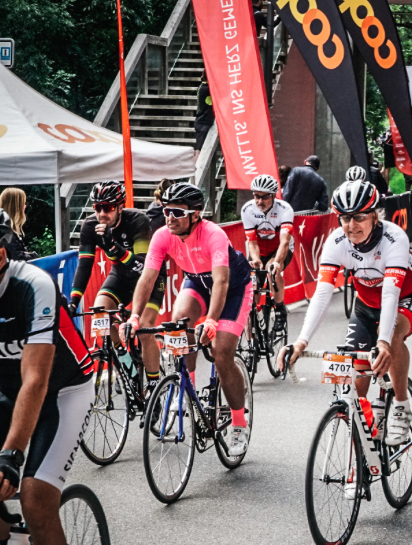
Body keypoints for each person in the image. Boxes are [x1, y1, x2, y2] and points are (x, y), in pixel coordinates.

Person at [279, 180, 412, 446]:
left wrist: (382, 343)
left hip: (406, 297)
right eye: (345, 218)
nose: (351, 225)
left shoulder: (394, 238)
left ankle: (402, 406)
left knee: (391, 338)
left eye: (359, 217)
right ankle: (361, 451)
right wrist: (301, 341)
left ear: (374, 215)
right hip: (367, 303)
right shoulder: (337, 241)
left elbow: (391, 294)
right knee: (356, 376)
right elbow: (322, 294)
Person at [122, 183, 252, 456]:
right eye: (166, 210)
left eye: (177, 212)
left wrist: (212, 321)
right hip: (197, 283)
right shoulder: (161, 235)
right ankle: (186, 389)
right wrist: (134, 316)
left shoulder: (213, 234)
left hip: (232, 287)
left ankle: (239, 422)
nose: (169, 217)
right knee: (179, 323)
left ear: (196, 214)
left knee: (221, 351)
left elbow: (221, 281)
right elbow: (147, 278)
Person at [0, 209, 95, 545]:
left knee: (35, 499)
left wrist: (12, 454)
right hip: (7, 392)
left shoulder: (34, 285)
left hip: (63, 390)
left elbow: (36, 378)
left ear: (0, 254)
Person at [69, 181, 165, 394]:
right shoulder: (90, 225)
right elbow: (84, 267)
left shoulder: (138, 220)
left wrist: (113, 245)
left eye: (108, 207)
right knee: (99, 315)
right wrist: (73, 301)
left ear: (121, 206)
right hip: (120, 277)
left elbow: (141, 265)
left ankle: (154, 386)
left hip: (149, 277)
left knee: (145, 328)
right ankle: (127, 364)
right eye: (97, 207)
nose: (102, 213)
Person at [241, 174, 295, 331]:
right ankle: (255, 314)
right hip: (259, 247)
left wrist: (277, 263)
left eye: (265, 197)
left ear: (273, 195)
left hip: (279, 248)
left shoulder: (285, 209)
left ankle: (279, 310)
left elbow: (284, 242)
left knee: (272, 271)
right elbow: (251, 242)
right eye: (257, 196)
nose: (260, 201)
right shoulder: (248, 209)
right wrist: (256, 260)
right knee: (254, 279)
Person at [0, 188, 37, 261]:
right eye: (23, 203)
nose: (25, 206)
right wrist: (33, 255)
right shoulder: (6, 231)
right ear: (16, 207)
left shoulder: (7, 228)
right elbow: (18, 258)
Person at [194, 70, 213, 163]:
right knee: (199, 152)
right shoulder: (207, 88)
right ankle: (193, 174)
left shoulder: (203, 86)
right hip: (203, 123)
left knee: (198, 149)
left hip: (201, 121)